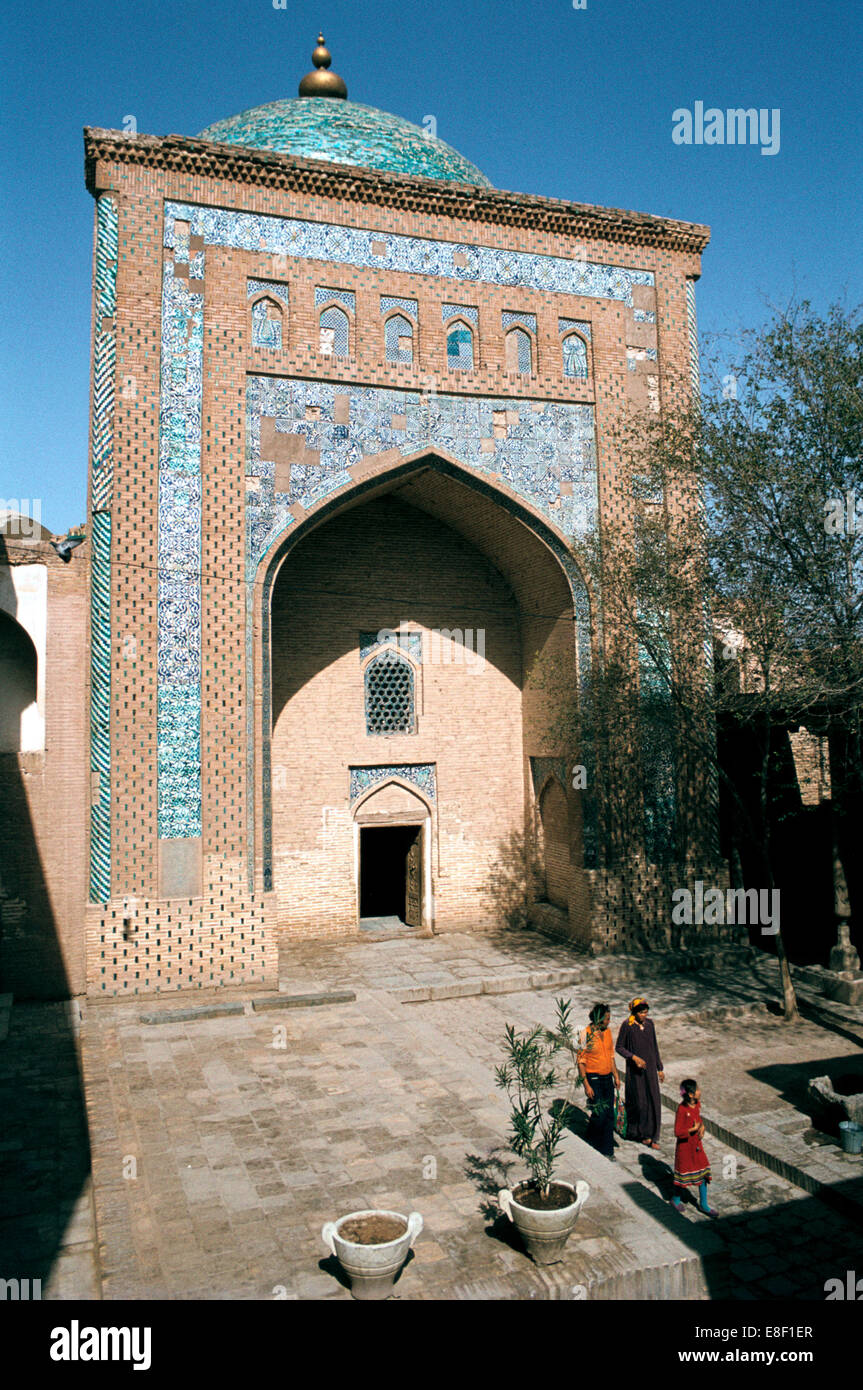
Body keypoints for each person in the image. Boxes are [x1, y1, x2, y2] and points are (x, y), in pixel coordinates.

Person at [615, 997, 665, 1149]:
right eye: (641, 1013)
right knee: (640, 1102)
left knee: (654, 1100)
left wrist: (659, 1068)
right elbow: (619, 1047)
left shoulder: (650, 1025)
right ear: (634, 1012)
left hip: (649, 1069)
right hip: (636, 1072)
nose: (644, 1015)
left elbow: (654, 1046)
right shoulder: (627, 1026)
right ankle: (641, 1134)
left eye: (646, 1012)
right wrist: (634, 1057)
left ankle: (654, 1135)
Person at [576, 1003, 621, 1160]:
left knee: (609, 1114)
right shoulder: (585, 1034)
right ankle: (593, 1140)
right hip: (593, 1078)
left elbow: (611, 1055)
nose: (609, 1021)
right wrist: (586, 1085)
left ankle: (607, 1150)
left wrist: (616, 1075)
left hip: (607, 1077)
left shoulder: (607, 1032)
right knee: (599, 1113)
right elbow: (581, 1061)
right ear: (600, 1018)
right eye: (607, 1018)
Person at [671, 1079, 716, 1217]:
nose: (699, 1091)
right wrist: (692, 1129)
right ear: (690, 1094)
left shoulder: (696, 1105)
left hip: (697, 1147)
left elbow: (699, 1120)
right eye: (697, 1089)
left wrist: (702, 1128)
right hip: (685, 1149)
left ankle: (704, 1204)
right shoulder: (682, 1109)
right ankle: (676, 1199)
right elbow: (678, 1132)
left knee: (703, 1174)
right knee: (682, 1176)